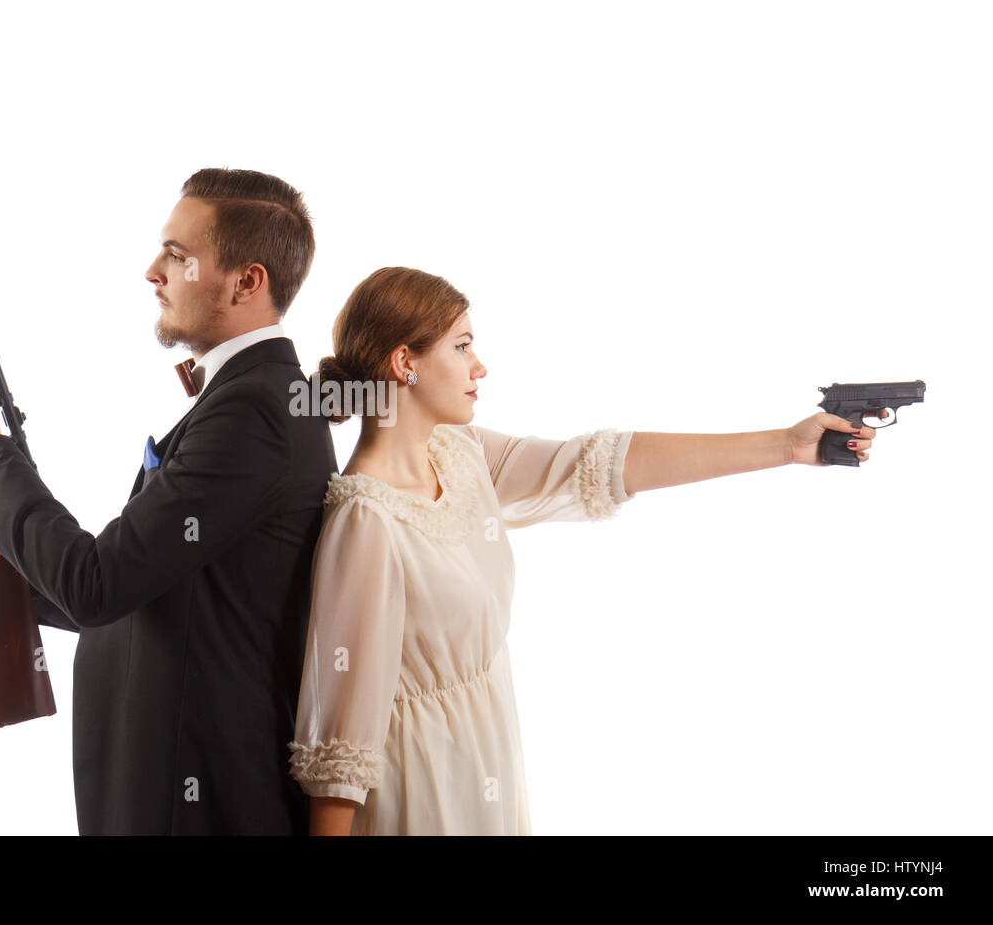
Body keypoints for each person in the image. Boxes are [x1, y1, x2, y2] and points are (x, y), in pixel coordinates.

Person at [288, 266, 880, 835]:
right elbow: (340, 747)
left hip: (482, 762)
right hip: (419, 793)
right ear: (404, 363)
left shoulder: (460, 454)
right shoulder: (366, 518)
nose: (481, 365)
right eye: (463, 346)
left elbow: (599, 461)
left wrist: (786, 445)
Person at [0, 168, 338, 834]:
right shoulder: (244, 402)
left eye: (179, 255)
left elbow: (99, 582)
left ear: (247, 281)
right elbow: (142, 593)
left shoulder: (255, 413)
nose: (154, 270)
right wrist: (19, 570)